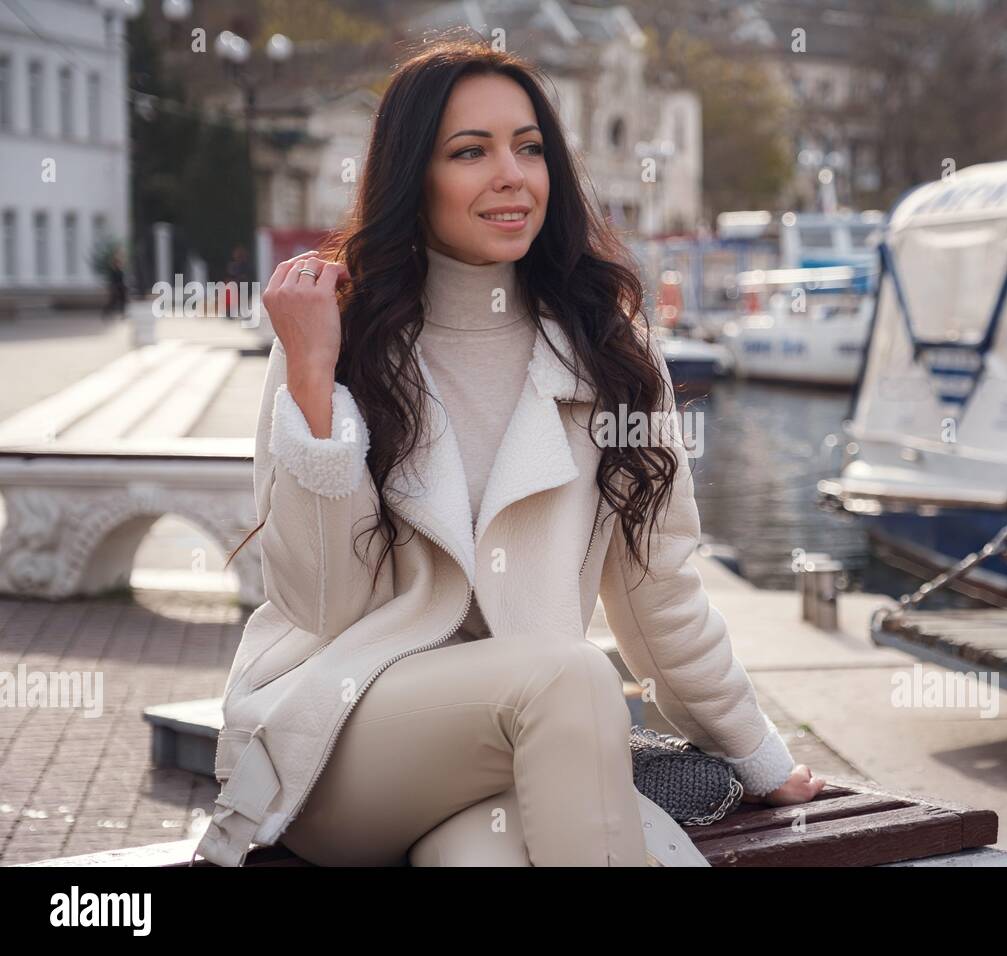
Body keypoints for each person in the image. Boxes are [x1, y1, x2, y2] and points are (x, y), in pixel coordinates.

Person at [210, 35, 823, 869]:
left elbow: (662, 597)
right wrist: (314, 383)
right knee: (573, 677)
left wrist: (760, 757)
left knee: (494, 857)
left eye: (529, 148)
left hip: (508, 755)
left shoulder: (610, 351)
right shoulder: (334, 335)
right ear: (411, 177)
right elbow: (322, 605)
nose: (512, 174)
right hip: (339, 735)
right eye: (471, 151)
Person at [101, 248, 127, 321]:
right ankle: (106, 312)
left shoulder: (120, 268)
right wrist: (113, 288)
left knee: (123, 301)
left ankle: (123, 314)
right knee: (113, 302)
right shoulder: (114, 270)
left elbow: (122, 279)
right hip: (116, 288)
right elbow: (113, 280)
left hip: (121, 288)